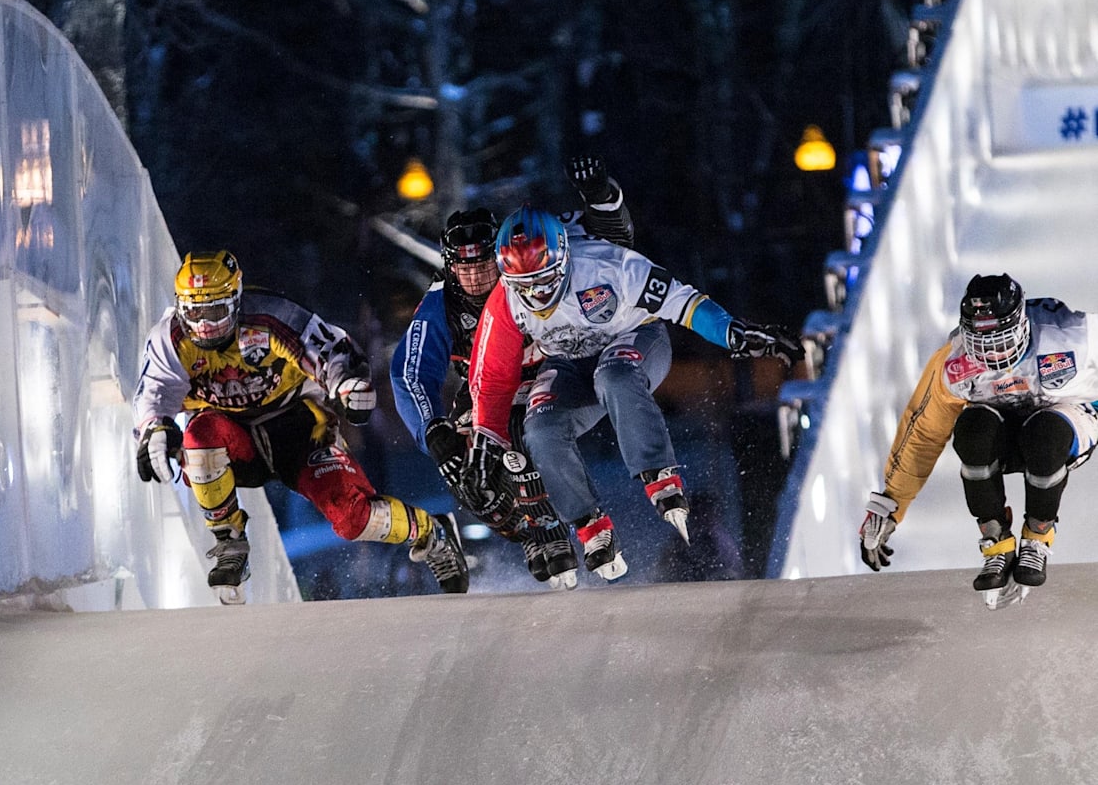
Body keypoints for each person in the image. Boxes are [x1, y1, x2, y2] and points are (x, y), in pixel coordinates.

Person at [464, 205, 803, 582]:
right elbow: (491, 377)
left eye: (543, 282)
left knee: (616, 376)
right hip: (570, 362)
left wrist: (734, 333)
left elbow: (683, 303)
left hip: (637, 340)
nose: (536, 295)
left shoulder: (610, 266)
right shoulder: (504, 301)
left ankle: (659, 475)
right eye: (523, 286)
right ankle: (589, 524)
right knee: (540, 428)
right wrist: (486, 438)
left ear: (563, 262)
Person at [132, 249, 470, 604]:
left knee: (352, 519)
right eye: (194, 311)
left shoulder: (269, 317)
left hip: (298, 428)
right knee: (199, 435)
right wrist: (153, 429)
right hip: (232, 435)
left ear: (236, 299)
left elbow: (328, 350)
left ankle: (432, 531)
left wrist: (347, 384)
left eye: (214, 310)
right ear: (180, 306)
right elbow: (154, 391)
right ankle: (227, 537)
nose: (204, 324)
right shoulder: (169, 340)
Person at [390, 156, 635, 589]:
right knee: (467, 473)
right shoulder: (439, 304)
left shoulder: (527, 263)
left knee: (522, 425)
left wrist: (602, 197)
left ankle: (559, 529)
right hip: (487, 386)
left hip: (557, 371)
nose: (476, 276)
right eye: (463, 268)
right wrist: (433, 431)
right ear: (449, 268)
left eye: (484, 264)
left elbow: (606, 240)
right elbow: (409, 371)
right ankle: (529, 532)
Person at [857, 273, 1098, 596]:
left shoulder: (1076, 338)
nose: (992, 356)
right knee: (972, 430)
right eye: (981, 344)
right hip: (1005, 432)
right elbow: (924, 430)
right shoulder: (953, 362)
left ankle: (1038, 535)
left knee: (1045, 434)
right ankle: (996, 540)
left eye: (999, 342)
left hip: (1065, 420)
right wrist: (891, 503)